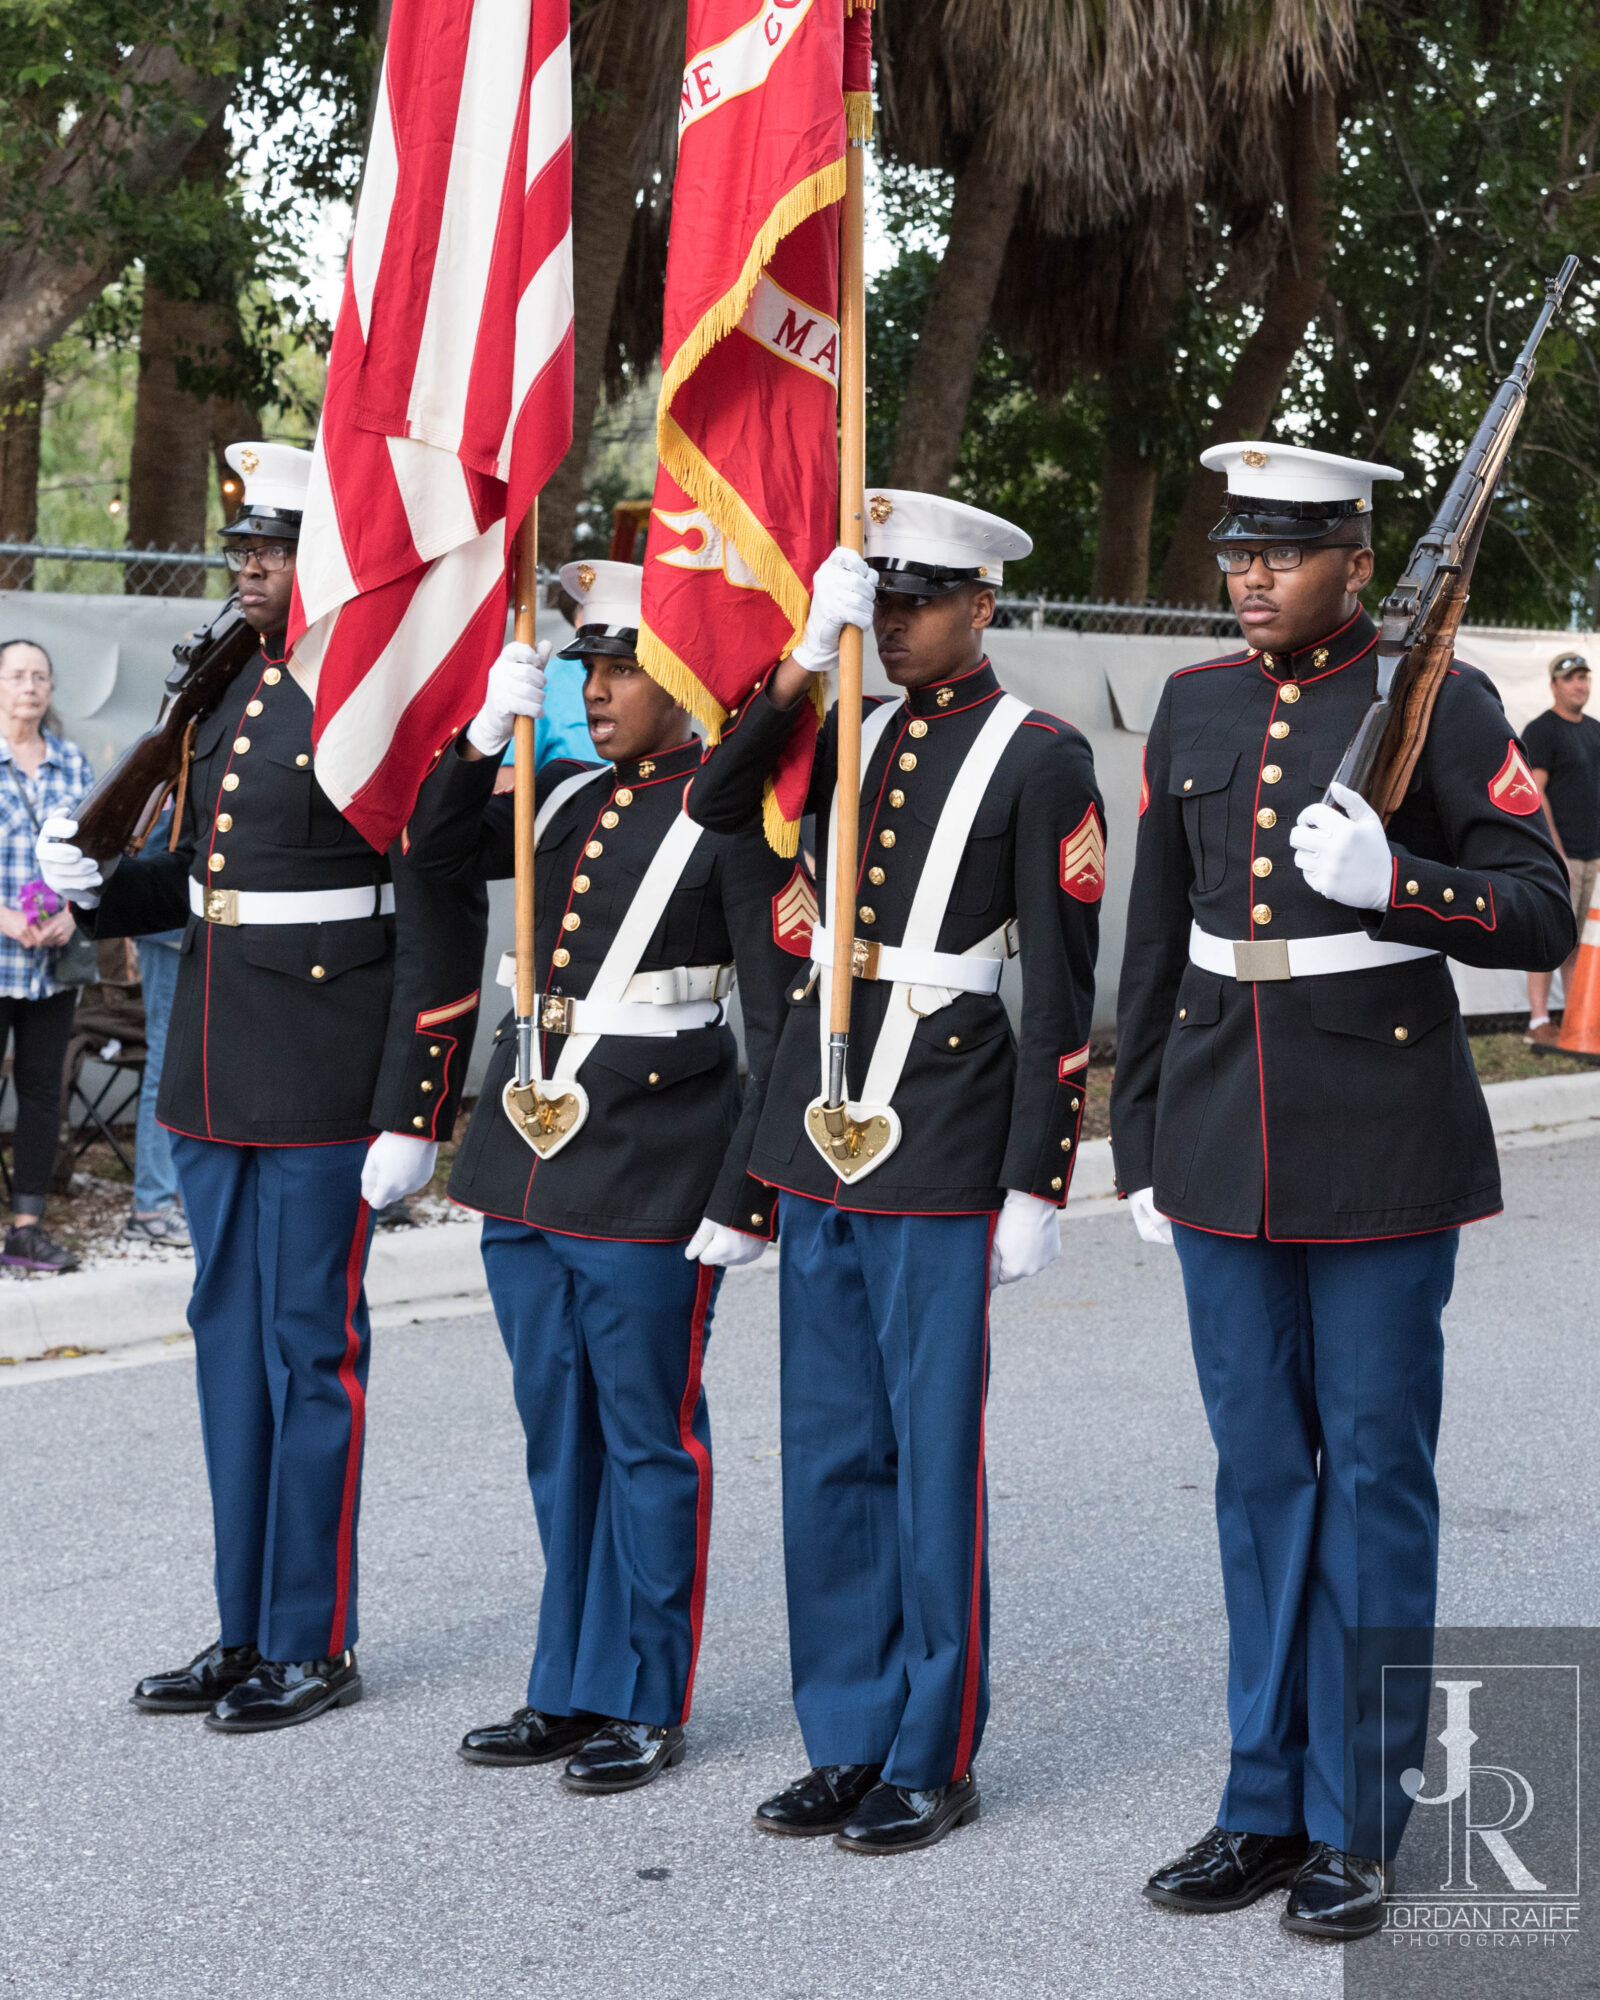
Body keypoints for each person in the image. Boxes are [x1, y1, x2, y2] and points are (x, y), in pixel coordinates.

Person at [1112, 442, 1574, 1940]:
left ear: (1360, 565)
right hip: (1216, 1135)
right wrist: (1137, 1143)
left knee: (1372, 1476)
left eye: (1284, 550)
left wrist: (1402, 884)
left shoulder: (1446, 700)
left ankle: (1358, 1819)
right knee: (1258, 1477)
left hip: (1379, 1141)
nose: (1248, 575)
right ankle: (1260, 1800)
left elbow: (1541, 911)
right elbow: (1156, 939)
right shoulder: (1194, 704)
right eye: (1236, 549)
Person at [36, 441, 486, 1732]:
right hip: (215, 1070)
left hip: (321, 1078)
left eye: (275, 548)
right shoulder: (229, 679)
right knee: (230, 1355)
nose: (249, 565)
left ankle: (311, 1637)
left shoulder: (374, 692)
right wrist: (101, 890)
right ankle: (244, 1627)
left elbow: (435, 908)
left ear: (327, 559)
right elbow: (202, 877)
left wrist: (415, 1103)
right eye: (242, 546)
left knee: (308, 1354)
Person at [686, 493, 1104, 1855]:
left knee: (928, 1458)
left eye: (920, 601)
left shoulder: (1040, 755)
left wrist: (1039, 1177)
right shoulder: (844, 729)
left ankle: (931, 1752)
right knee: (826, 1456)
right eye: (887, 600)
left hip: (943, 1131)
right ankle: (846, 1736)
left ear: (982, 603)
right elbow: (714, 802)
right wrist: (807, 658)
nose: (901, 622)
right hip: (823, 1130)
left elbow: (1060, 985)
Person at [404, 560, 799, 1795]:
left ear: (680, 676)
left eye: (625, 668)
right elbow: (431, 853)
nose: (599, 689)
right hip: (522, 1163)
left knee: (644, 1437)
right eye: (588, 667)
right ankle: (564, 1681)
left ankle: (640, 1691)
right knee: (556, 1437)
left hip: (651, 1163)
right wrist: (480, 738)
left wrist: (746, 1191)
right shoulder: (563, 792)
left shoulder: (732, 816)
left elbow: (776, 1022)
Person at [0, 638, 93, 1274]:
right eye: (16, 676)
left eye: (40, 676)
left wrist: (72, 914)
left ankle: (26, 1230)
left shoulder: (72, 764)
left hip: (52, 966)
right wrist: (6, 919)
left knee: (41, 1091)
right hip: (2, 954)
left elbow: (98, 851)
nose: (29, 687)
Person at [1521, 650, 1599, 1045]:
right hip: (1560, 857)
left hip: (1593, 856)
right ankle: (1538, 1022)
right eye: (1570, 678)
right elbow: (1535, 793)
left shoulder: (1595, 730)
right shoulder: (1542, 730)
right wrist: (1556, 851)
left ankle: (1574, 1020)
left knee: (1578, 942)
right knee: (1550, 937)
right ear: (1554, 686)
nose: (1579, 685)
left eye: (1584, 677)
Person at [127, 802, 188, 1246]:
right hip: (169, 935)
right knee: (167, 1069)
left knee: (202, 1070)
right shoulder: (163, 770)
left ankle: (186, 1197)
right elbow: (141, 849)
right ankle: (151, 1206)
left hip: (211, 933)